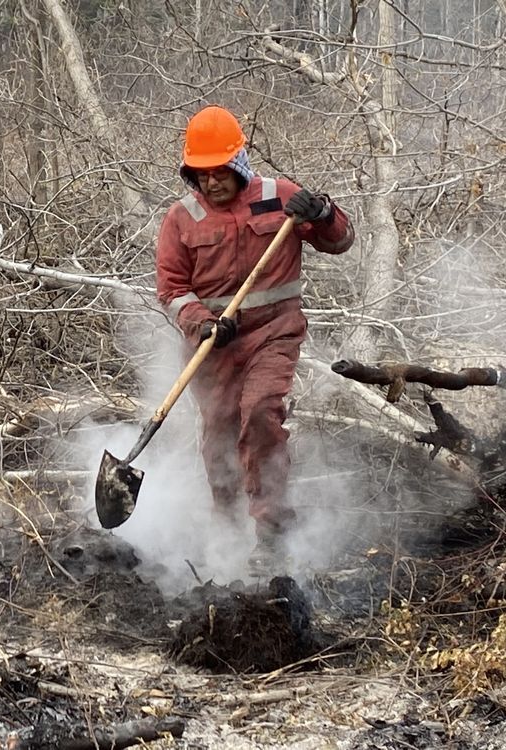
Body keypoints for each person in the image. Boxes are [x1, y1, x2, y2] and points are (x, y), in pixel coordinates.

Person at [155, 105, 355, 571]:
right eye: (201, 174)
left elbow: (341, 240)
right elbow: (171, 290)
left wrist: (324, 213)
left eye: (220, 172)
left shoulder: (279, 198)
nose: (212, 183)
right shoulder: (181, 219)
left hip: (273, 332)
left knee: (261, 414)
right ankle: (226, 528)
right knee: (219, 436)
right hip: (213, 346)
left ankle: (272, 533)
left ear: (238, 163)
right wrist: (202, 322)